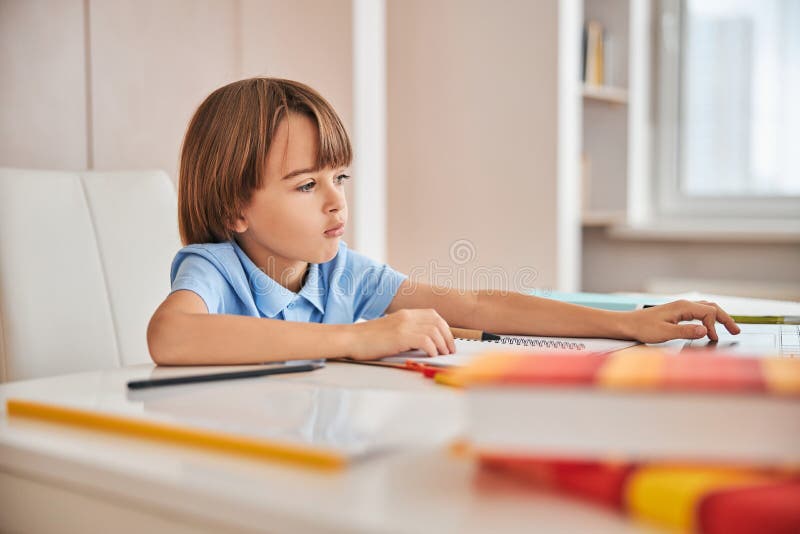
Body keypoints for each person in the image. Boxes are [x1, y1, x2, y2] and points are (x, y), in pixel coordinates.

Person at [147, 77, 739, 365]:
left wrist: (629, 323)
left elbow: (478, 306)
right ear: (235, 209)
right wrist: (355, 338)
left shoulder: (341, 274)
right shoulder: (216, 268)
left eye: (340, 178)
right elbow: (170, 336)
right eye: (306, 185)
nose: (336, 202)